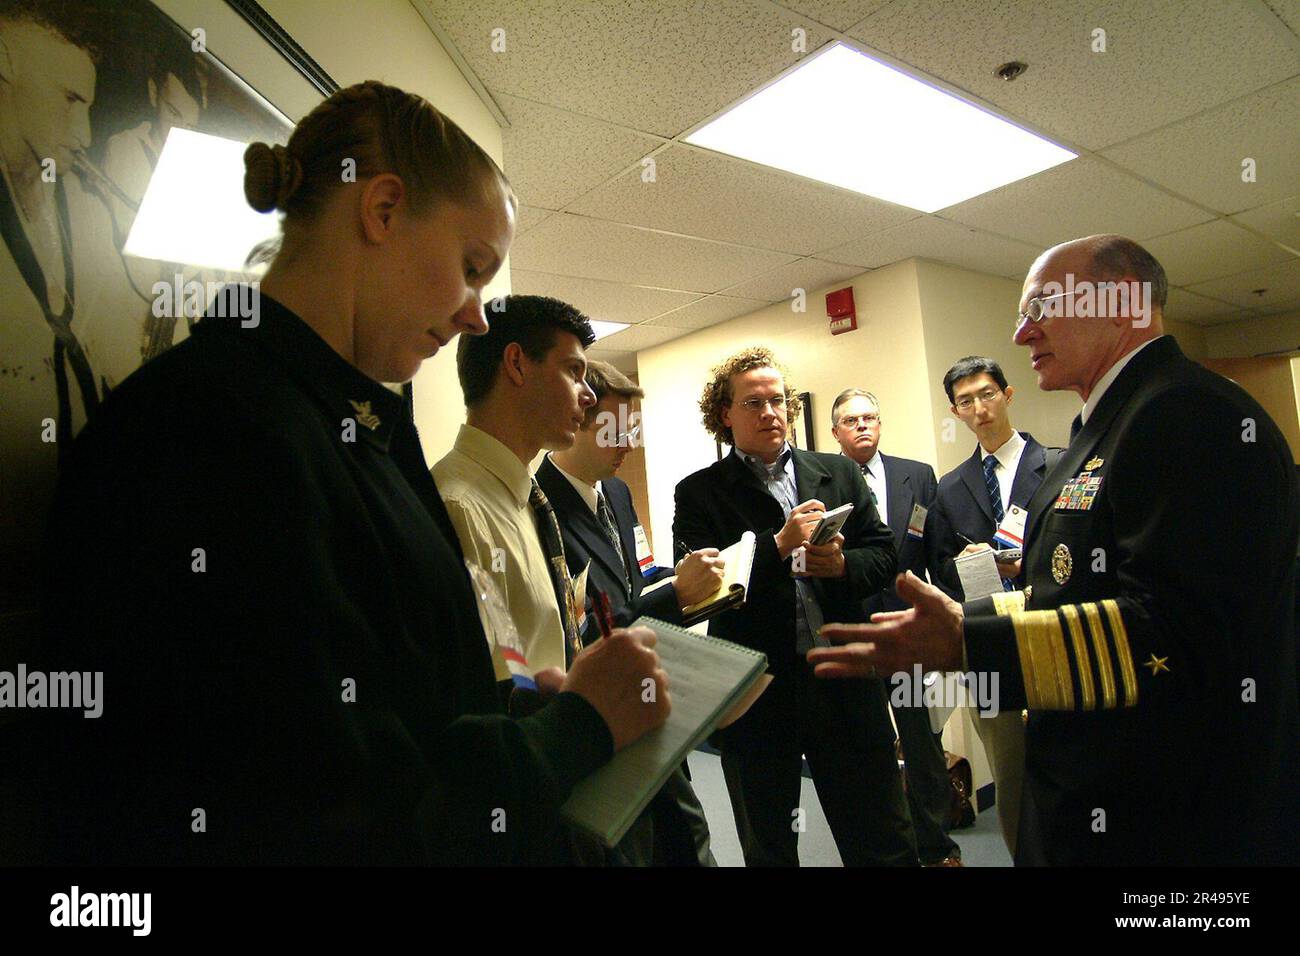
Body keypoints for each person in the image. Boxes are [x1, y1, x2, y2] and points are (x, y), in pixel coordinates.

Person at [36, 80, 669, 865]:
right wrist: (579, 730)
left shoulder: (354, 430)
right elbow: (328, 814)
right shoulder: (214, 431)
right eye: (472, 267)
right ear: (383, 210)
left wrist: (511, 705)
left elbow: (381, 696)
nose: (477, 312)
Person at [812, 235, 1300, 866]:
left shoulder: (1185, 415)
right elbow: (1077, 593)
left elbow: (1179, 634)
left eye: (1042, 305)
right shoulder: (1110, 423)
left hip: (1171, 818)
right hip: (1100, 790)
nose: (1022, 333)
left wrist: (972, 644)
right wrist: (968, 621)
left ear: (1124, 303)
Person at [673, 346, 915, 866]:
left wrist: (843, 567)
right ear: (725, 414)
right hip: (758, 691)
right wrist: (777, 546)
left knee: (881, 834)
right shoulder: (698, 495)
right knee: (769, 843)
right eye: (753, 403)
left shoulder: (839, 473)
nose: (770, 413)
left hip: (845, 677)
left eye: (777, 400)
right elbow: (703, 591)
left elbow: (883, 553)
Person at [538, 358, 722, 865]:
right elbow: (590, 631)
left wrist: (679, 584)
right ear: (578, 421)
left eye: (633, 430)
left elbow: (630, 582)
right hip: (605, 714)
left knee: (687, 835)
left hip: (655, 697)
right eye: (616, 431)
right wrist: (677, 595)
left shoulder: (616, 493)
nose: (627, 445)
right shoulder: (540, 508)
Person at [921, 355, 1060, 855]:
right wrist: (969, 564)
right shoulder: (951, 487)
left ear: (1008, 394)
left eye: (986, 394)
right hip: (988, 645)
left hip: (1051, 634)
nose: (979, 408)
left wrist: (1026, 564)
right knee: (1011, 776)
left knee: (1071, 764)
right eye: (965, 401)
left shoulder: (1061, 465)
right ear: (955, 412)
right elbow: (939, 569)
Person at [830, 387, 958, 867]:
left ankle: (938, 845)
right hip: (858, 635)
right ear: (836, 432)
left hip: (907, 634)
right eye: (852, 420)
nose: (863, 426)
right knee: (869, 747)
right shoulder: (827, 479)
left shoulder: (917, 475)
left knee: (922, 744)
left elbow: (937, 553)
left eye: (870, 417)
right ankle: (892, 849)